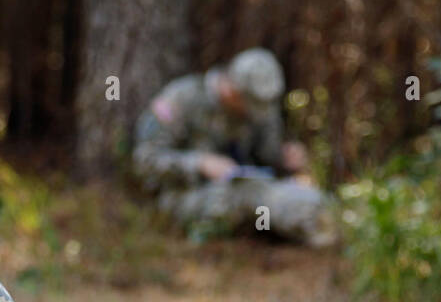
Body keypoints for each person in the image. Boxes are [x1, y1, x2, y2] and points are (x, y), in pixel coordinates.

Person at [132, 47, 336, 247]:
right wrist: (200, 163)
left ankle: (325, 219)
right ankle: (312, 226)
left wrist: (285, 157)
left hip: (247, 189)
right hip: (182, 197)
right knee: (250, 197)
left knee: (284, 193)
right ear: (231, 90)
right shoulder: (181, 98)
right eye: (251, 104)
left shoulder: (259, 110)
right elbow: (144, 160)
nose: (257, 112)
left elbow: (267, 157)